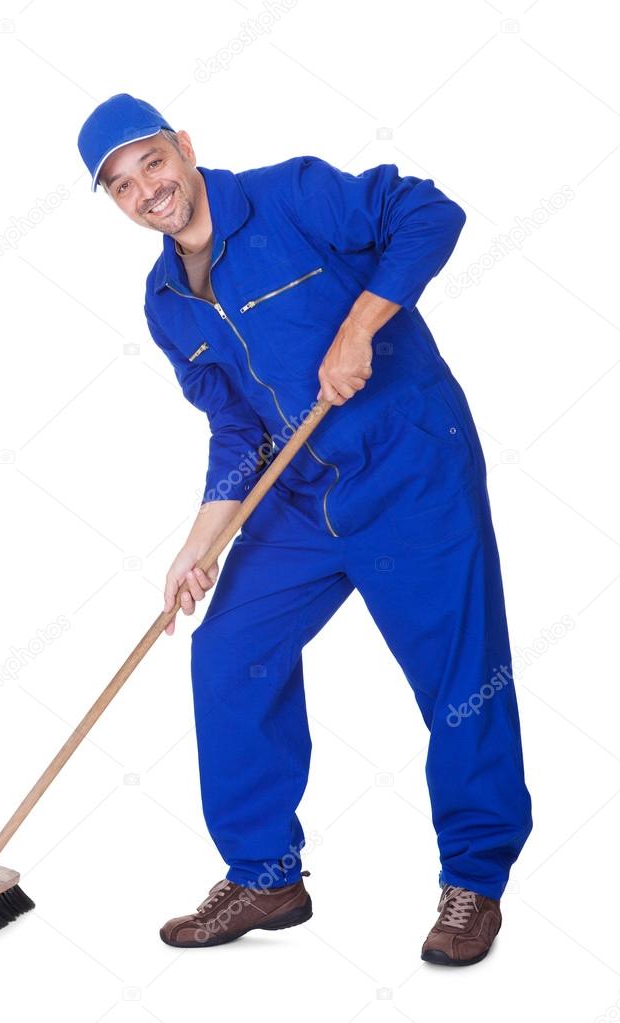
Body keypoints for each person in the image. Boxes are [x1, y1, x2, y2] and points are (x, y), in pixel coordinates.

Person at [77, 93, 533, 965]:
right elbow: (239, 429)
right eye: (123, 185)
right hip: (301, 500)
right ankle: (265, 874)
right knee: (228, 650)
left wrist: (361, 325)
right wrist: (198, 543)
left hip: (411, 473)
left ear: (184, 146)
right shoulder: (167, 300)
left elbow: (430, 211)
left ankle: (475, 879)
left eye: (152, 163)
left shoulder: (290, 196)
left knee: (458, 679)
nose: (148, 191)